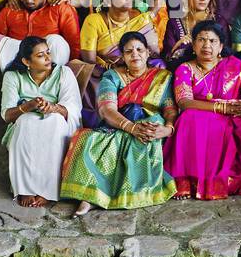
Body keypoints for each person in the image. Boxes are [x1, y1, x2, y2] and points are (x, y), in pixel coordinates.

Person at [163, 21, 241, 200]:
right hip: (202, 114)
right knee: (188, 118)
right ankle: (191, 180)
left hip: (233, 114)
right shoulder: (185, 69)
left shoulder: (234, 65)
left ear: (221, 46)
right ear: (193, 45)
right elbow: (184, 102)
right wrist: (222, 107)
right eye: (201, 40)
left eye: (213, 41)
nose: (207, 45)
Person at [59, 31, 178, 213]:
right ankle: (90, 195)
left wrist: (168, 129)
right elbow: (107, 110)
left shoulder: (162, 77)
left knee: (147, 128)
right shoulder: (112, 76)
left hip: (150, 125)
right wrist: (131, 127)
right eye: (129, 51)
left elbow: (169, 108)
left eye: (139, 50)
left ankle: (98, 196)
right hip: (118, 124)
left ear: (148, 53)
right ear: (122, 56)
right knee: (85, 138)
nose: (135, 54)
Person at [2, 36, 83, 208]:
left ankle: (49, 189)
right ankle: (24, 188)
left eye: (48, 53)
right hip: (26, 117)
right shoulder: (13, 76)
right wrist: (29, 106)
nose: (48, 58)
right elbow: (7, 115)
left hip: (57, 117)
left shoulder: (63, 73)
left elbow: (73, 107)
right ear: (26, 61)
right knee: (25, 123)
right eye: (40, 55)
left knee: (54, 123)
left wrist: (53, 108)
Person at [72, 0, 161, 124]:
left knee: (159, 65)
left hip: (137, 68)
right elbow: (89, 59)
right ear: (107, 0)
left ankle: (152, 116)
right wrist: (113, 67)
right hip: (105, 70)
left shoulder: (140, 19)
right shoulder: (93, 20)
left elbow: (152, 52)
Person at [163, 0, 217, 67]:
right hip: (182, 73)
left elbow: (225, 55)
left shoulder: (217, 22)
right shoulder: (174, 23)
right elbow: (168, 57)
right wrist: (179, 44)